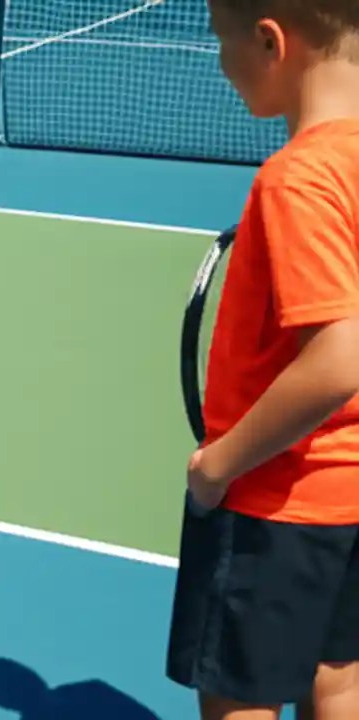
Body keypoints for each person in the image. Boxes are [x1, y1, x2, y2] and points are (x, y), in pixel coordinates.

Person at [166, 2, 359, 718]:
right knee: (338, 677)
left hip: (276, 498)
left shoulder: (297, 179)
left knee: (238, 697)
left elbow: (340, 358)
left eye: (222, 40)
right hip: (351, 498)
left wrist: (217, 467)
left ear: (271, 40)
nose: (221, 61)